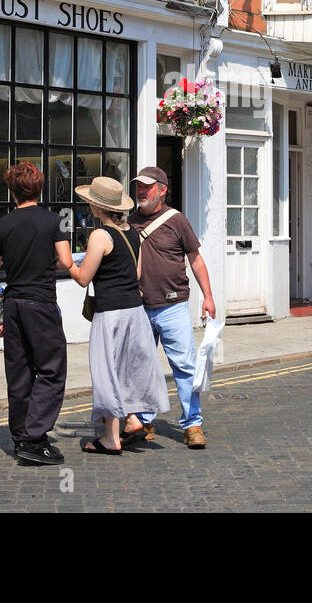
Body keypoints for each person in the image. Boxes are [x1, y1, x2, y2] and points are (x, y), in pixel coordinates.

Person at [67, 176, 168, 454]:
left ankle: (111, 439)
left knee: (106, 372)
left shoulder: (100, 235)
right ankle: (133, 420)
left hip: (110, 313)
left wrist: (67, 264)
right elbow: (136, 273)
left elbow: (84, 278)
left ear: (97, 207)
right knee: (125, 370)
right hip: (134, 311)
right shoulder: (133, 232)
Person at [0, 162, 73, 465]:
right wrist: (46, 264)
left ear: (12, 191)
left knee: (19, 373)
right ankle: (35, 437)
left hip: (13, 305)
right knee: (51, 369)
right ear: (40, 187)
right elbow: (64, 260)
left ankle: (21, 436)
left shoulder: (0, 226)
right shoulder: (51, 221)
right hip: (42, 303)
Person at [123, 166, 215, 449]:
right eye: (138, 186)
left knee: (184, 367)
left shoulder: (177, 221)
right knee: (140, 368)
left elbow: (195, 259)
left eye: (147, 187)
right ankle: (143, 419)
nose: (141, 190)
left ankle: (193, 425)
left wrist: (208, 297)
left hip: (173, 305)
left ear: (162, 190)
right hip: (138, 305)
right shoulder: (127, 221)